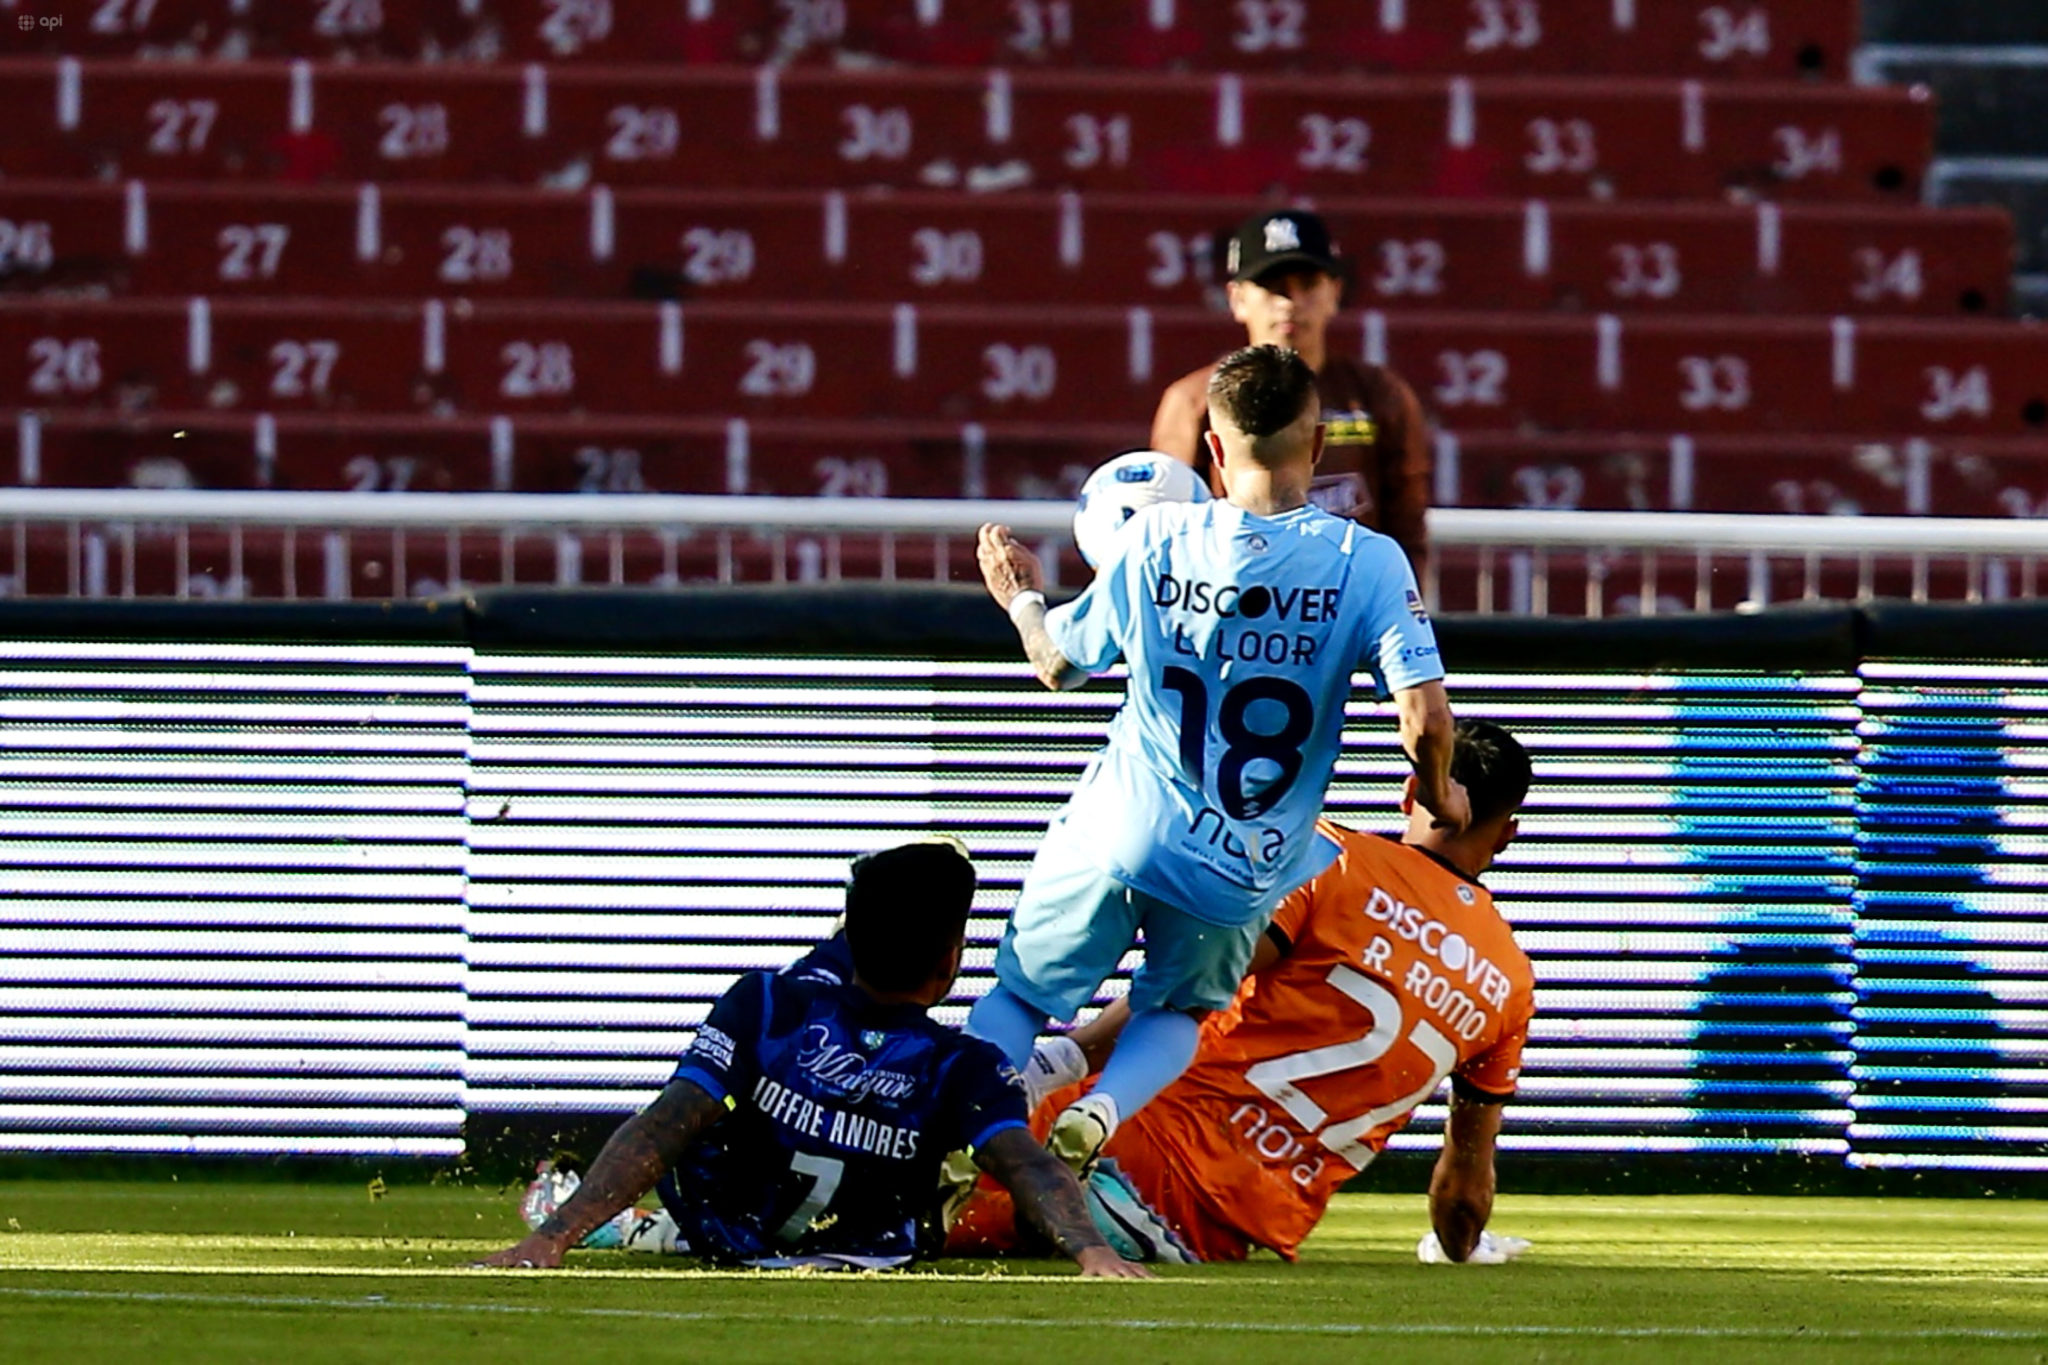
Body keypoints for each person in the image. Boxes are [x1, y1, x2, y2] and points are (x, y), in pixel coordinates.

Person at [969, 343, 1466, 1176]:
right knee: (1175, 1010)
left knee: (1021, 996)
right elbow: (1423, 716)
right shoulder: (1370, 562)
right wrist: (1441, 789)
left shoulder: (1157, 534)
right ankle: (1100, 1107)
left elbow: (1059, 664)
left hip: (1118, 831)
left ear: (1211, 451)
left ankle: (965, 1128)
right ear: (1315, 448)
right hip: (1240, 864)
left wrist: (1020, 594)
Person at [947, 720, 1537, 1266]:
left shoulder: (1333, 861)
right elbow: (1463, 1190)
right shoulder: (1510, 983)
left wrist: (1063, 1059)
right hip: (1207, 1227)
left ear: (1412, 791)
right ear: (1508, 833)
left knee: (893, 1211)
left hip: (1134, 1133)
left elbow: (1193, 989)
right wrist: (1458, 1243)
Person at [478, 838, 1150, 1278]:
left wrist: (554, 1237)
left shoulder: (765, 1002)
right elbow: (1026, 1161)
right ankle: (628, 1227)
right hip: (870, 1246)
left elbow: (667, 1121)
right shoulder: (963, 1063)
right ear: (951, 964)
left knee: (713, 1104)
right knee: (970, 1143)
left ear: (849, 936)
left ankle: (609, 1221)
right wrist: (1089, 1248)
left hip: (720, 1228)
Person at [1150, 208, 1434, 584]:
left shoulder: (1380, 395)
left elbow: (1407, 527)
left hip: (1347, 608)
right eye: (1273, 287)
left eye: (1307, 283)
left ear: (1335, 291)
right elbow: (1169, 522)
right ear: (1236, 299)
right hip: (1231, 607)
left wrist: (1395, 606)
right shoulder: (1193, 402)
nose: (1290, 302)